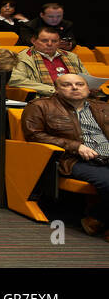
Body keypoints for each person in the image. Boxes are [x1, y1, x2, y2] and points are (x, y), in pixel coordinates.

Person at [21, 74, 109, 241]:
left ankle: (96, 219)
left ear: (88, 88)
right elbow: (34, 135)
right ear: (56, 89)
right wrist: (75, 146)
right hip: (72, 160)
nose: (74, 87)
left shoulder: (103, 107)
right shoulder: (40, 106)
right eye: (67, 85)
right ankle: (98, 219)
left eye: (79, 84)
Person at [10, 25, 91, 96]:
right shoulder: (23, 57)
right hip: (46, 98)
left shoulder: (71, 57)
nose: (49, 44)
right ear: (33, 41)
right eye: (44, 41)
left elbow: (86, 79)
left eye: (54, 41)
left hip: (77, 96)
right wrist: (53, 90)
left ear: (59, 42)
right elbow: (15, 80)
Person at [19, 3, 86, 49]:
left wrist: (68, 45)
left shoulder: (67, 24)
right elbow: (28, 42)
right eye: (51, 16)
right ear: (42, 15)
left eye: (59, 16)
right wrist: (55, 44)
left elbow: (72, 41)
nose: (55, 19)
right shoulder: (29, 26)